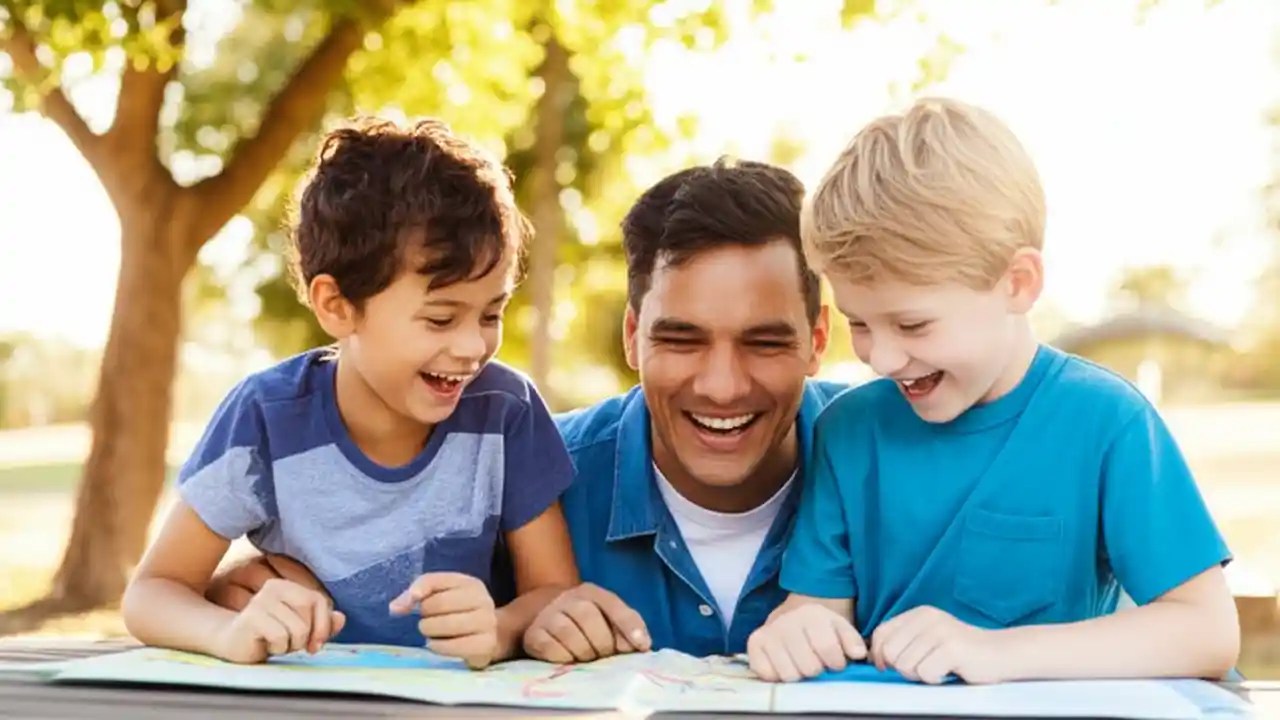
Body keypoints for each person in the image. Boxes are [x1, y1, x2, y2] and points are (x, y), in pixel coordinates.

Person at [206, 158, 848, 661]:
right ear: (631, 335)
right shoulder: (516, 468)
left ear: (818, 338)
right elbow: (376, 585)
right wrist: (253, 592)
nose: (722, 386)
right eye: (681, 340)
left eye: (765, 342)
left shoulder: (900, 461)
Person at [745, 97, 1240, 685]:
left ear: (1017, 283)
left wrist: (995, 652)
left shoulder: (1107, 423)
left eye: (912, 325)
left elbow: (1206, 630)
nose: (881, 357)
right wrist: (796, 628)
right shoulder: (848, 432)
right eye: (859, 323)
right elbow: (818, 608)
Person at [121, 117, 580, 669]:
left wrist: (501, 629)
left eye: (491, 313)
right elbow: (153, 592)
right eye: (439, 319)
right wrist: (230, 631)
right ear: (337, 306)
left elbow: (556, 594)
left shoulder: (505, 412)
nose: (472, 347)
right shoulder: (265, 421)